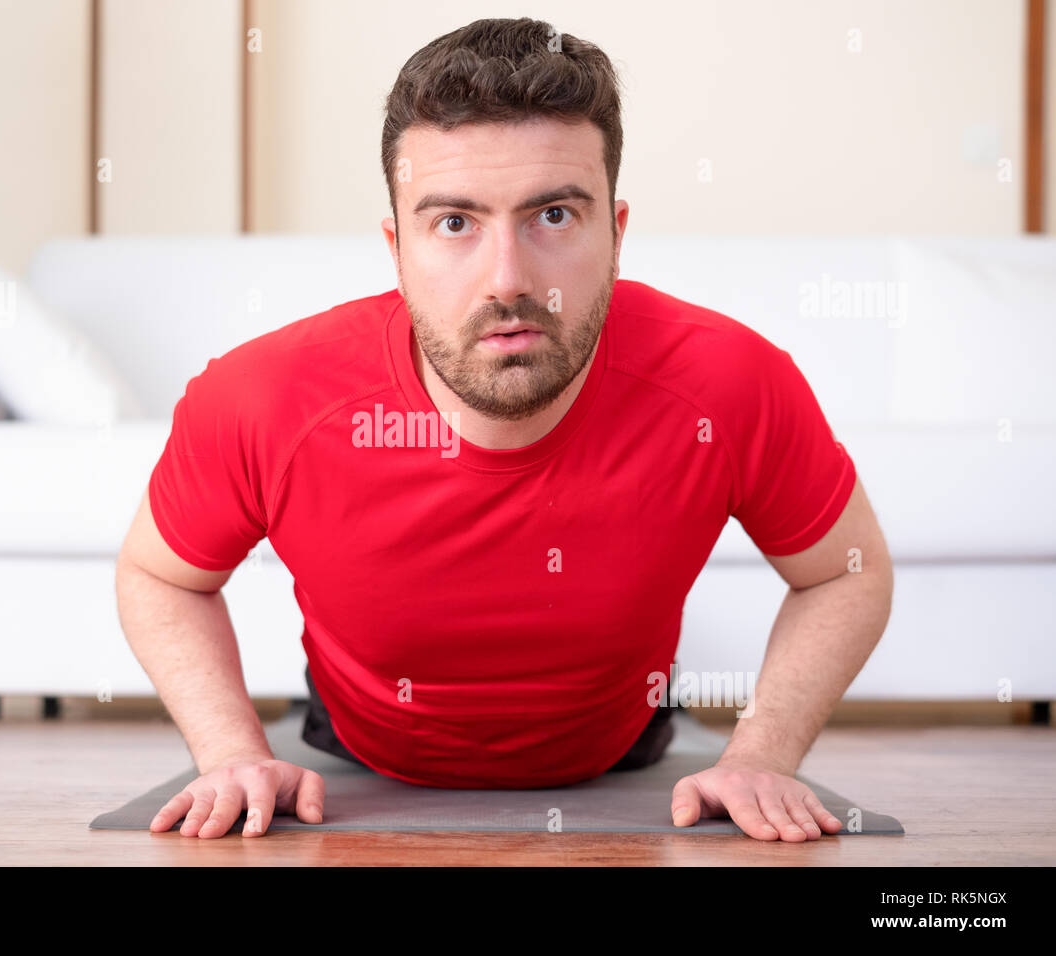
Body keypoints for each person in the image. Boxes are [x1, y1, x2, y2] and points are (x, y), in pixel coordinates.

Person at [116, 17, 893, 842]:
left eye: (553, 216)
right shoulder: (262, 397)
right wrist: (229, 750)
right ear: (397, 247)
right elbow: (159, 574)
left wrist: (764, 754)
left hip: (620, 737)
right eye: (454, 223)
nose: (508, 280)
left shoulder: (731, 382)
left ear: (617, 234)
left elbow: (846, 571)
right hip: (358, 737)